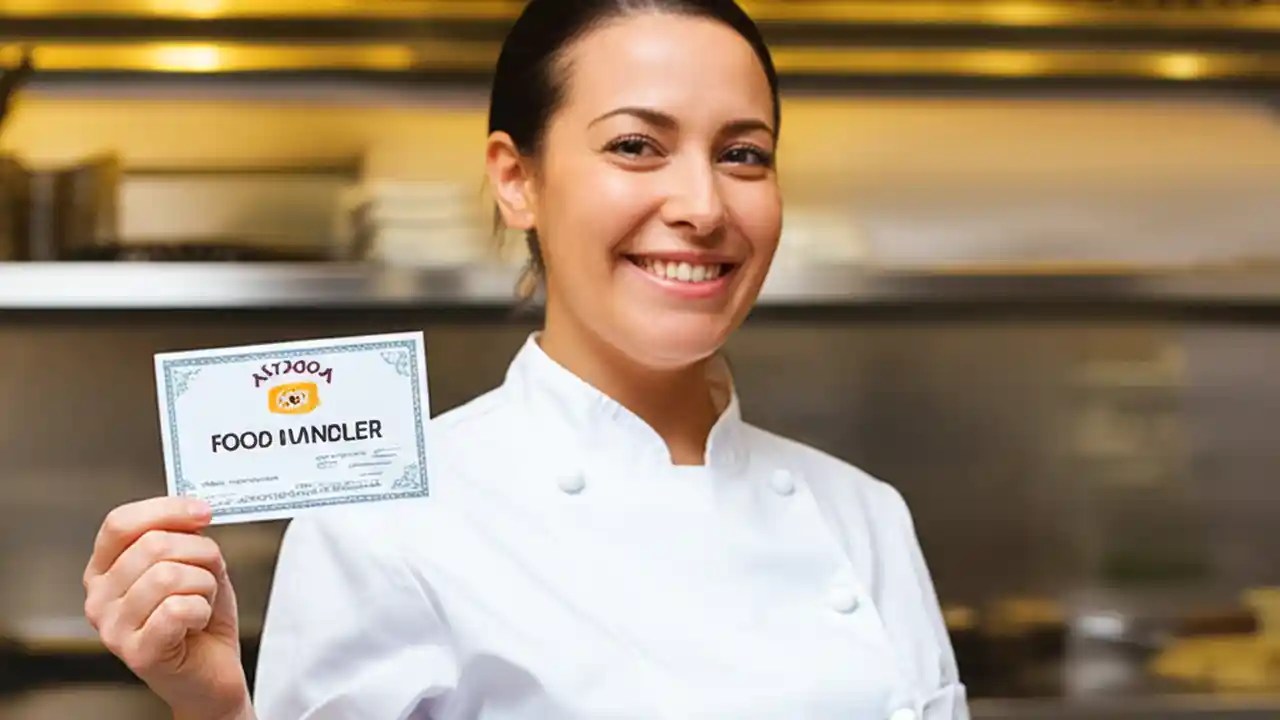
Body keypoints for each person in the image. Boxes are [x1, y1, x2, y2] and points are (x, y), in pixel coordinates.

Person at [82, 1, 968, 718]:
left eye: (744, 155)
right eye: (635, 145)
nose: (702, 205)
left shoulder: (863, 515)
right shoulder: (388, 527)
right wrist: (212, 710)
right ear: (517, 179)